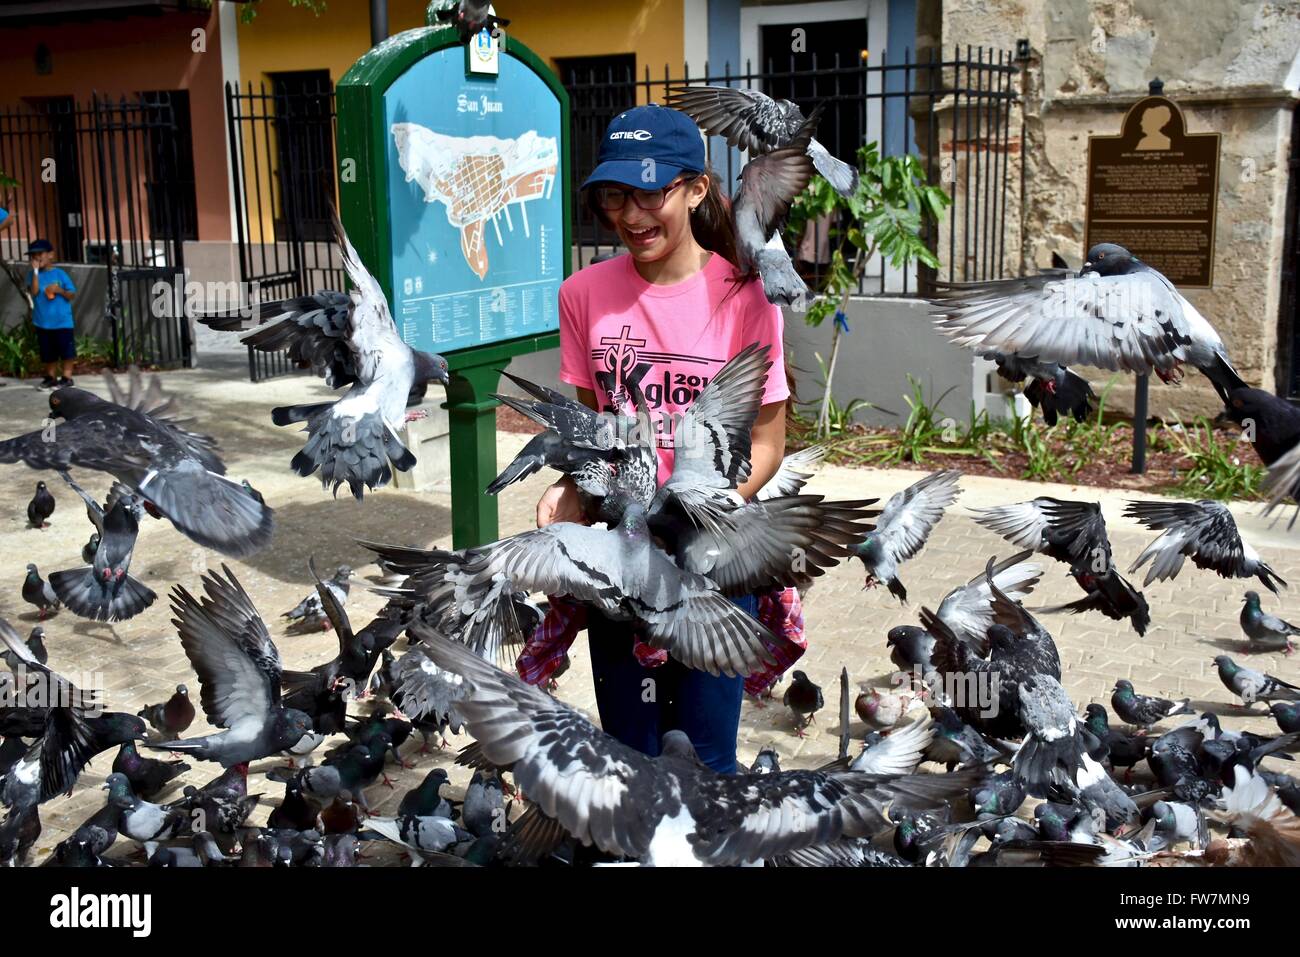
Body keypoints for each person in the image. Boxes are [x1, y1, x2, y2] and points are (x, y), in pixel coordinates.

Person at [531, 103, 795, 774]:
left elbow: (766, 444)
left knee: (706, 756)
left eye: (651, 191)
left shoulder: (747, 298)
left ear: (697, 187)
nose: (632, 213)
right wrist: (569, 491)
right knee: (631, 754)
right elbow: (596, 432)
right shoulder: (583, 295)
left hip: (713, 565)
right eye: (616, 194)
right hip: (622, 565)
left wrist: (696, 518)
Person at [24, 238, 76, 388]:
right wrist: (34, 272)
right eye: (33, 255)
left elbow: (71, 294)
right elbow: (34, 292)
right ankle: (50, 377)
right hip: (43, 322)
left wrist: (59, 290)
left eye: (40, 253)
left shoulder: (60, 274)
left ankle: (67, 377)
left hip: (62, 321)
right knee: (48, 353)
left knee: (66, 351)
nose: (36, 257)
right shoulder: (32, 275)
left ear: (50, 255)